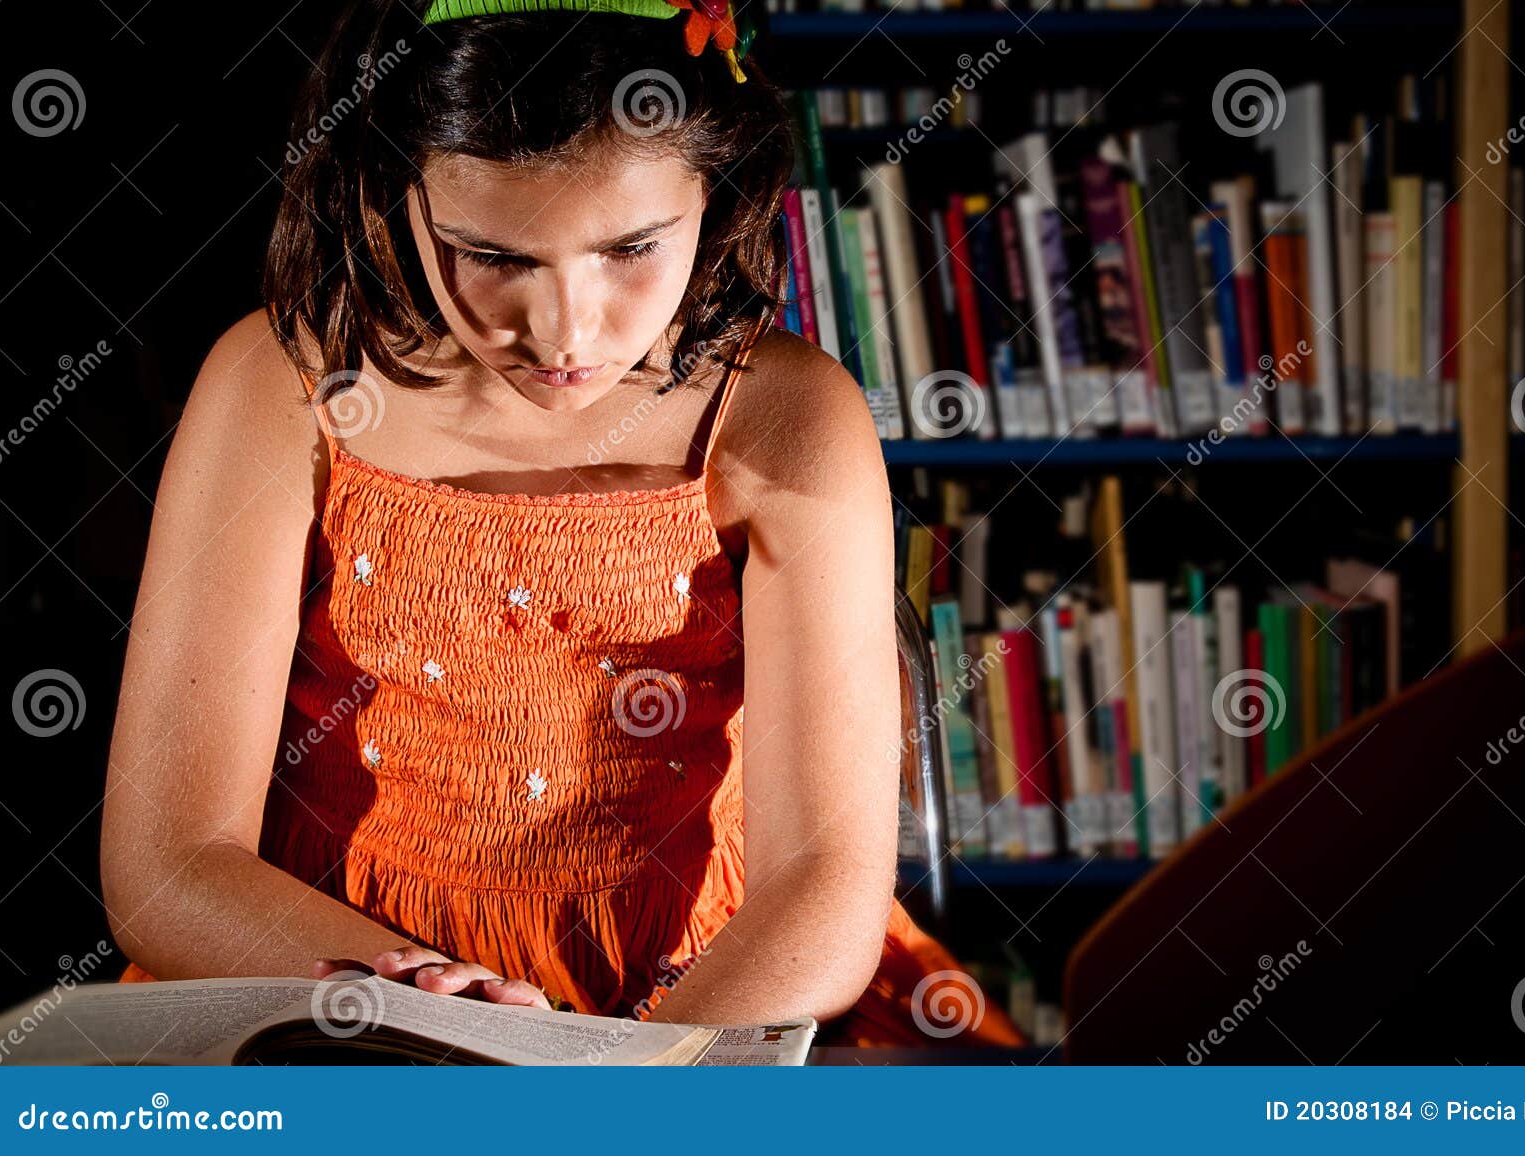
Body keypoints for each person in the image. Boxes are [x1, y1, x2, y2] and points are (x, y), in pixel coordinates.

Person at [100, 0, 1025, 1049]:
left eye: (631, 248)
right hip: (337, 989)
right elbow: (169, 867)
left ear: (716, 188)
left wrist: (618, 1090)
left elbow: (824, 886)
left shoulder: (787, 416)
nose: (566, 332)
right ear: (395, 185)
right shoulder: (285, 386)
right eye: (491, 256)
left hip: (714, 1005)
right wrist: (425, 1020)